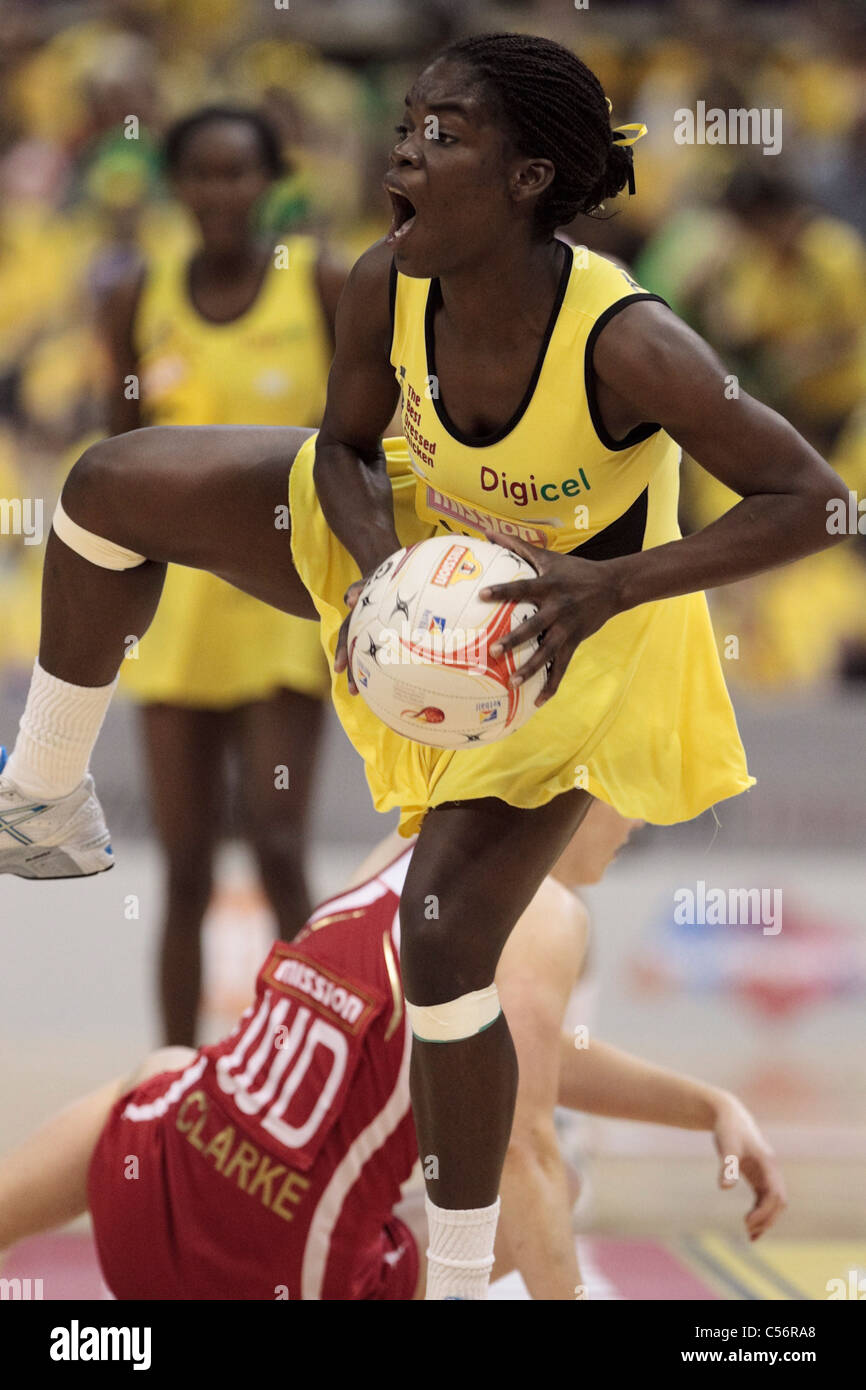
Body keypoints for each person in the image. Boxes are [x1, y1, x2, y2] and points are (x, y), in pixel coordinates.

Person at [0, 33, 844, 1298]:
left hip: (579, 637)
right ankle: (45, 796)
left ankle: (455, 1286)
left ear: (525, 178)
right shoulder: (378, 279)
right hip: (413, 542)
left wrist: (607, 583)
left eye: (443, 132)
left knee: (442, 942)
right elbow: (341, 448)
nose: (404, 147)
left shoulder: (627, 339)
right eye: (404, 123)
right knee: (106, 486)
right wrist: (377, 563)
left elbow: (812, 499)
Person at [0, 803, 786, 1301]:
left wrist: (707, 1106)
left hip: (144, 1224)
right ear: (579, 786)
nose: (640, 823)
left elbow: (509, 1051)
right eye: (634, 792)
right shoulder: (545, 912)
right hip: (284, 1274)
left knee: (168, 1074)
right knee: (553, 1184)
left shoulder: (412, 844)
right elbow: (525, 1153)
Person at [100, 106, 346, 1043]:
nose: (220, 192)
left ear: (270, 180)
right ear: (176, 184)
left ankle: (321, 1064)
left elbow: (361, 436)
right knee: (186, 865)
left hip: (284, 600)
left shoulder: (317, 284)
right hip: (175, 613)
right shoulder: (135, 296)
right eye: (201, 174)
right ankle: (169, 1080)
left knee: (279, 841)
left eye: (239, 173)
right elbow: (115, 461)